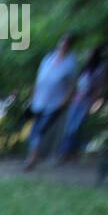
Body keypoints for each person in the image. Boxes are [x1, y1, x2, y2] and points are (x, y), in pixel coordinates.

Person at [24, 33, 78, 169]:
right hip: (39, 101)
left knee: (39, 130)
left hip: (55, 103)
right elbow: (39, 79)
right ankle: (35, 156)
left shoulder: (70, 63)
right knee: (36, 129)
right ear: (59, 43)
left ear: (69, 46)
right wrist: (33, 96)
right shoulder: (48, 58)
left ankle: (32, 158)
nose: (63, 45)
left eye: (66, 43)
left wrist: (64, 101)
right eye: (62, 42)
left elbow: (72, 85)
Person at [58, 46, 107, 162]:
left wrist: (94, 102)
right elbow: (77, 84)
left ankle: (68, 153)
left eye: (89, 53)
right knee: (70, 126)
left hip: (86, 101)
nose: (87, 55)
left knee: (75, 127)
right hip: (76, 100)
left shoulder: (100, 68)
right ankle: (67, 153)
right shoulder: (85, 68)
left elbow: (100, 87)